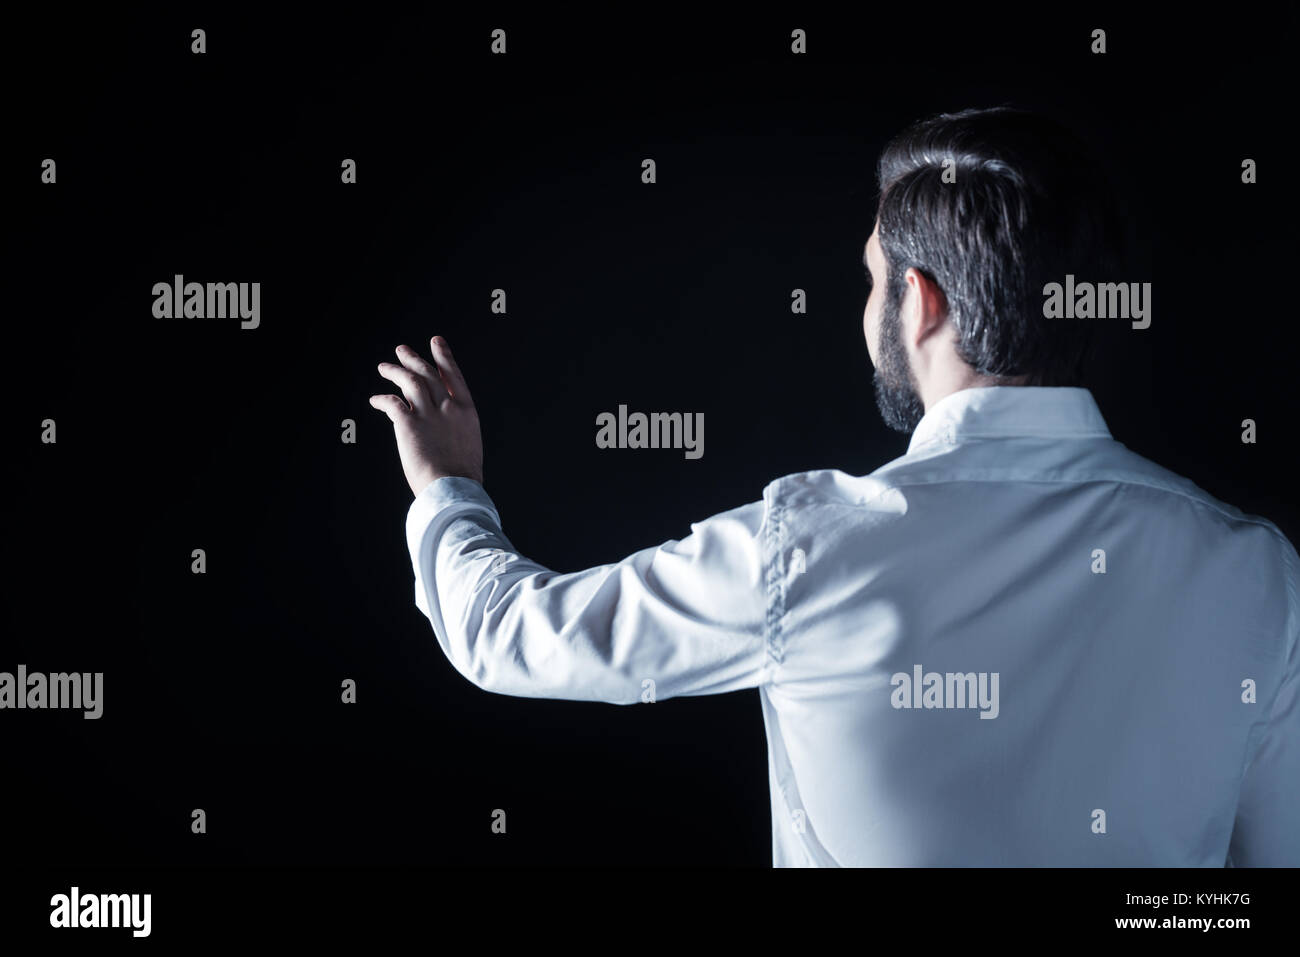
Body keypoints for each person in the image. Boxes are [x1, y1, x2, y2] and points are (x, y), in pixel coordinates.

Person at [369, 107, 1299, 866]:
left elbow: (511, 636)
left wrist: (448, 487)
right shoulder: (1258, 571)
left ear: (921, 301)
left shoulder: (804, 549)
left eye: (871, 281)